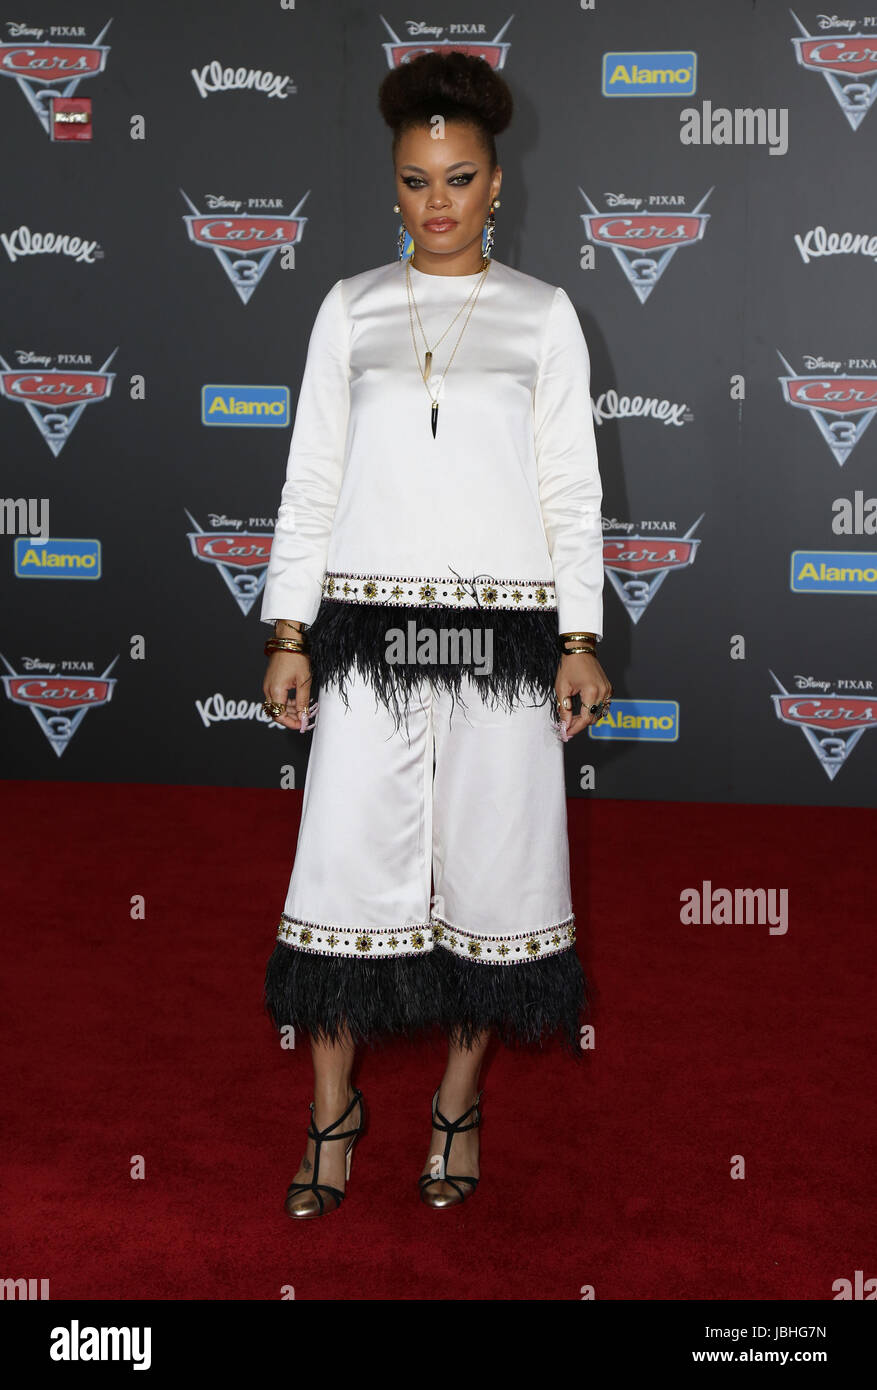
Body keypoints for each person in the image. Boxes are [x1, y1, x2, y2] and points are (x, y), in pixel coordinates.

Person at [259, 50, 612, 1218]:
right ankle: (331, 1109)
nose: (439, 202)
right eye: (417, 180)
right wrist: (289, 627)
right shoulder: (349, 308)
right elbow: (311, 478)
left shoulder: (543, 317)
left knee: (496, 878)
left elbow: (571, 490)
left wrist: (577, 637)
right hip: (367, 643)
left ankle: (456, 1104)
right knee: (343, 872)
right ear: (392, 186)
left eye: (460, 177)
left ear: (497, 182)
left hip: (505, 648)